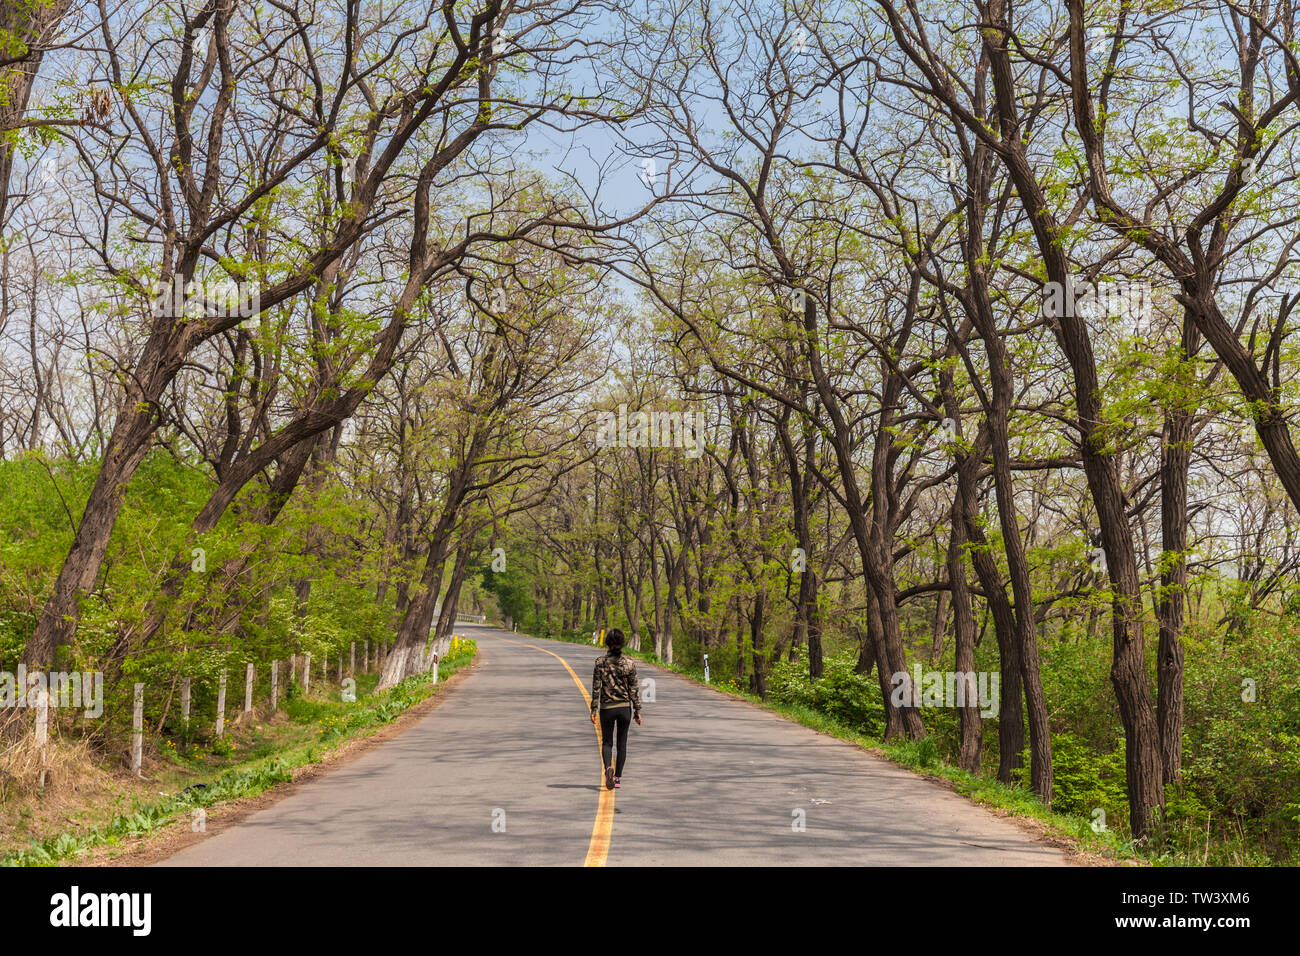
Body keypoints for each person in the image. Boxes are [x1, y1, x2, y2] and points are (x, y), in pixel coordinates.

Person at [589, 628, 642, 790]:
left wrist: (594, 709)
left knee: (607, 742)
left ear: (608, 643)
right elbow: (634, 689)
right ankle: (617, 778)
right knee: (622, 744)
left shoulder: (600, 663)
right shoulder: (629, 664)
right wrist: (637, 711)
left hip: (607, 708)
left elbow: (596, 688)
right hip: (625, 708)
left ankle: (608, 768)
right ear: (622, 644)